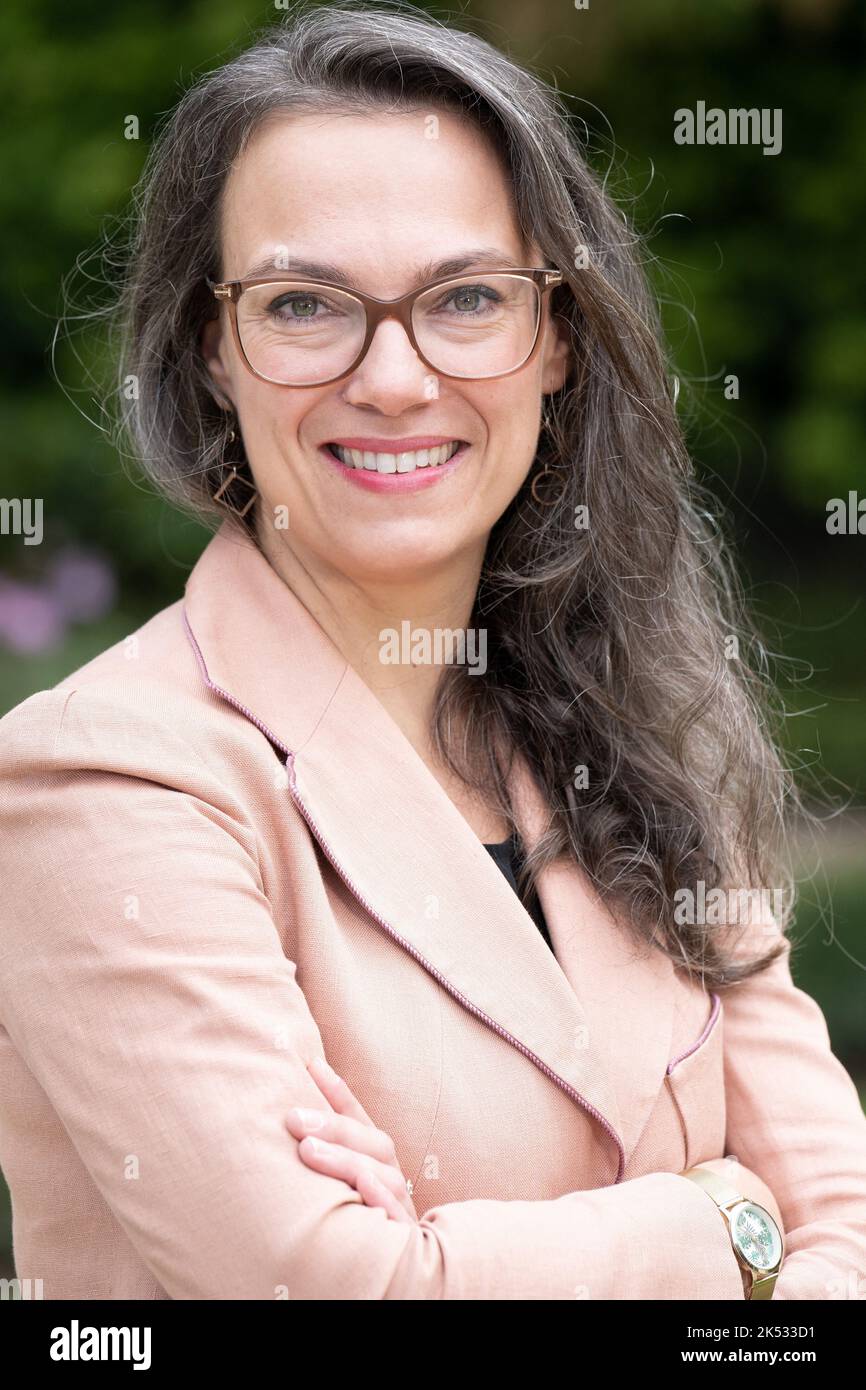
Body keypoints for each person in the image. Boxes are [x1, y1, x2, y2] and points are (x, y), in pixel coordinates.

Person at [0, 0, 864, 1301]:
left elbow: (843, 1231)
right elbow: (324, 1285)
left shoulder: (642, 726)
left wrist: (447, 1248)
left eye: (465, 296)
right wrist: (720, 1224)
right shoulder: (102, 780)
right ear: (210, 349)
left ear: (557, 337)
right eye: (304, 304)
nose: (395, 377)